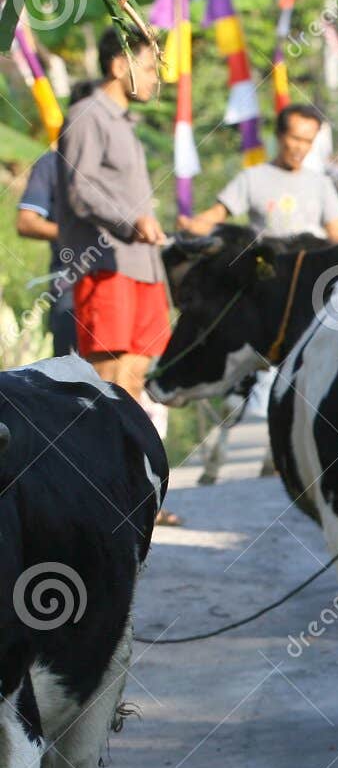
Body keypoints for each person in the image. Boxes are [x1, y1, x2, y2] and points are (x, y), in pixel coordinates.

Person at [58, 26, 177, 523]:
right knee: (106, 387)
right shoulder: (87, 115)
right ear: (117, 65)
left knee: (135, 383)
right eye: (150, 66)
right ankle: (100, 496)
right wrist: (132, 222)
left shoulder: (124, 122)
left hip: (140, 266)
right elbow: (80, 190)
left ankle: (131, 493)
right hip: (106, 266)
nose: (156, 77)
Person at [178, 104, 338, 241]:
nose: (300, 147)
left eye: (308, 141)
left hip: (307, 275)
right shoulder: (252, 178)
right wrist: (193, 225)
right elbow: (218, 214)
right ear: (279, 135)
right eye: (295, 138)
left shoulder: (321, 183)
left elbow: (337, 233)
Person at [15, 82, 98, 356]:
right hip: (70, 279)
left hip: (116, 279)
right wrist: (71, 232)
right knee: (69, 369)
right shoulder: (51, 164)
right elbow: (26, 221)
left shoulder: (115, 165)